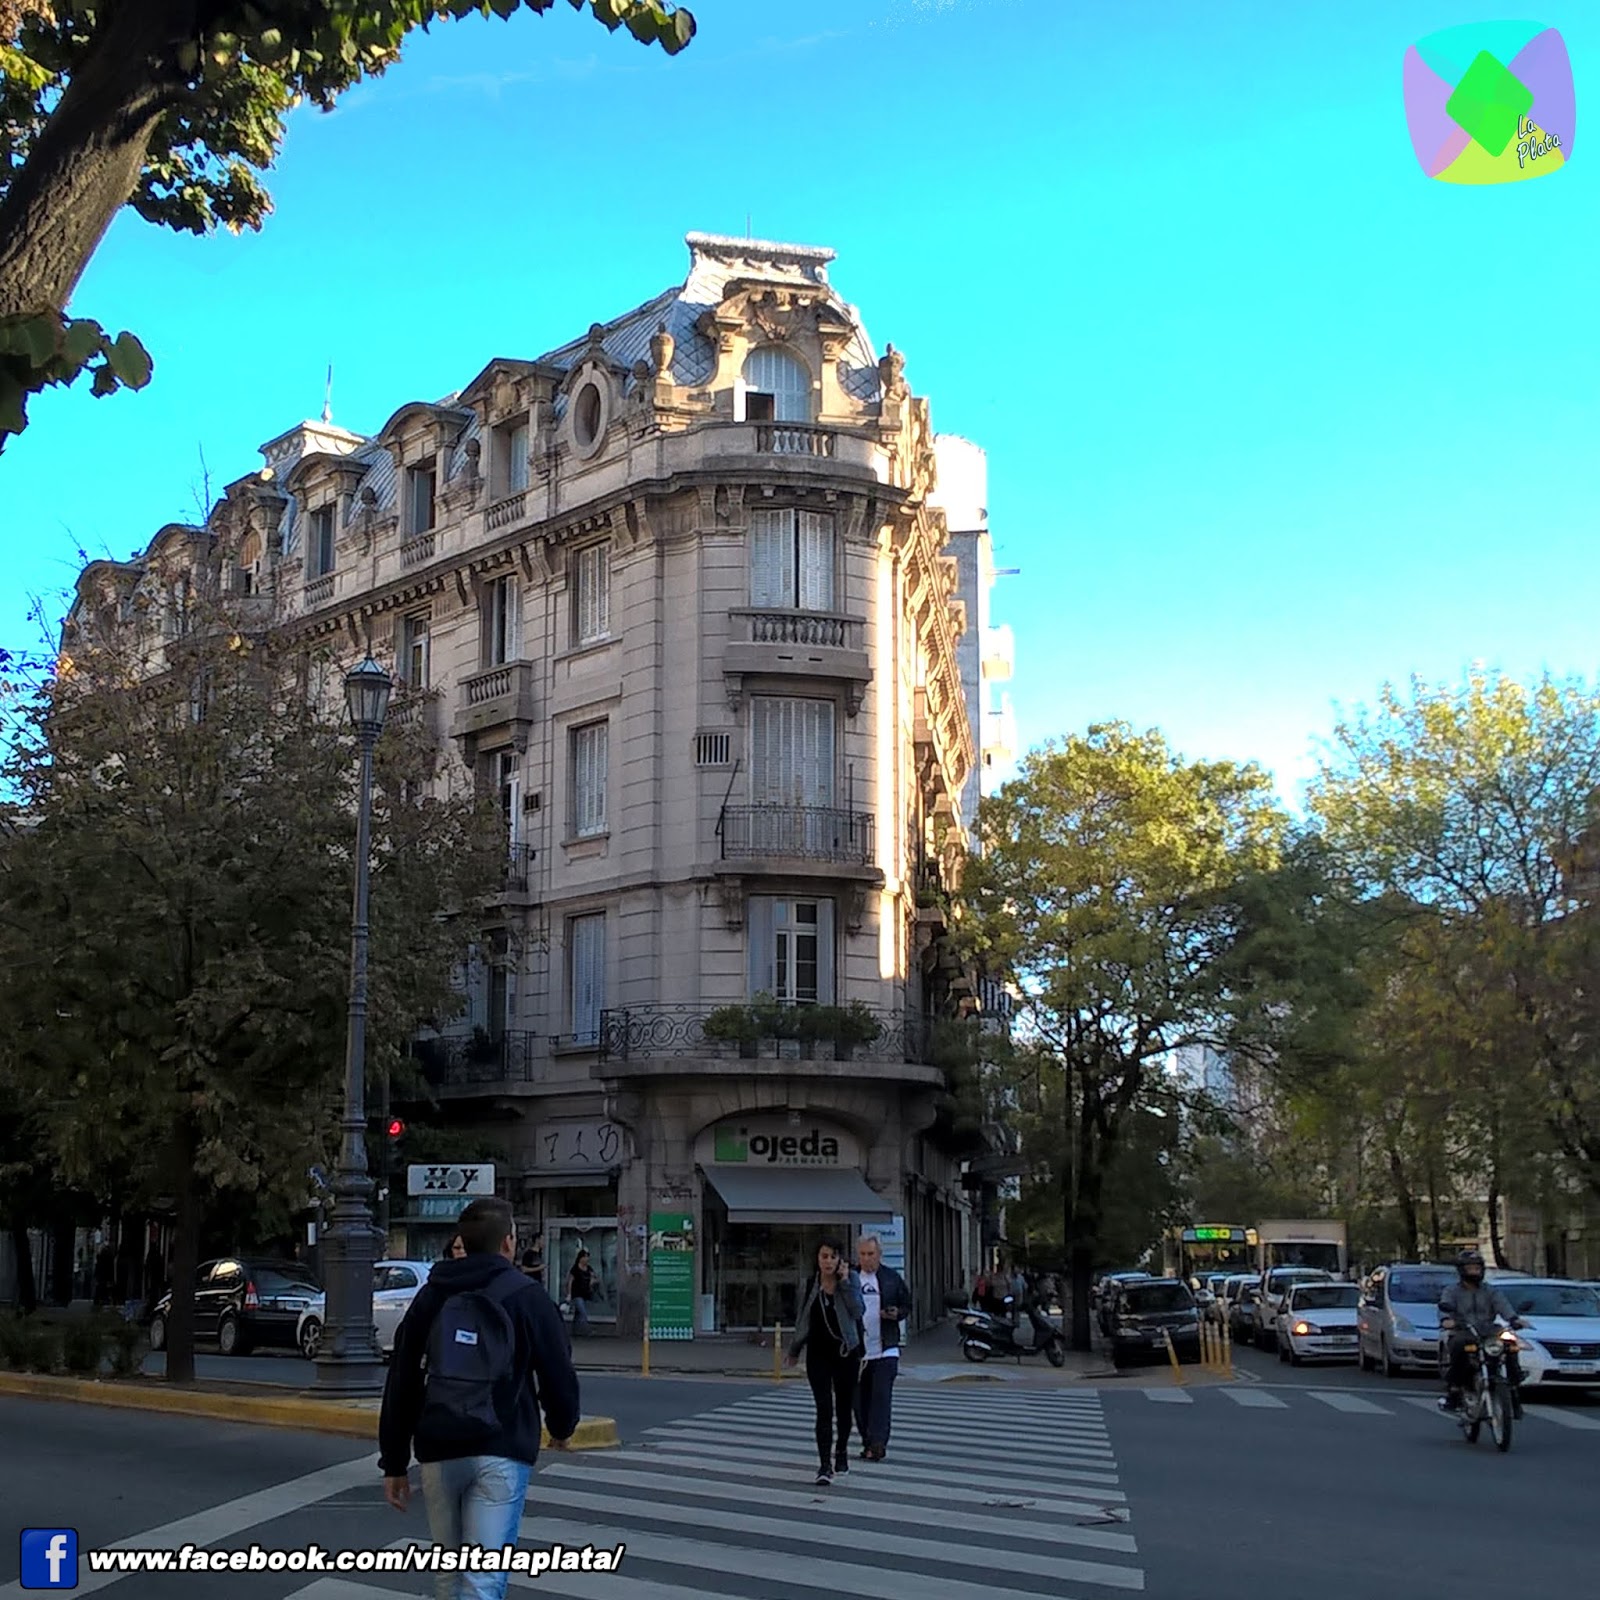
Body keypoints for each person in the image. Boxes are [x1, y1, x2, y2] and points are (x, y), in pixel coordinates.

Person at [379, 1196, 580, 1600]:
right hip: (501, 1447)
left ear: (463, 1243)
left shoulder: (432, 1294)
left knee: (448, 1577)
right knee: (482, 1580)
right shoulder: (528, 1296)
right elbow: (558, 1373)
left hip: (439, 1445)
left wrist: (395, 1461)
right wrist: (560, 1427)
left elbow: (402, 1378)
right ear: (507, 1243)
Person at [783, 1238, 865, 1486]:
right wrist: (795, 1348)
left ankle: (841, 1451)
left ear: (840, 1260)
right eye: (823, 1256)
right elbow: (803, 1318)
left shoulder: (850, 1280)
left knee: (843, 1408)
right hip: (818, 1354)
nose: (827, 1261)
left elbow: (858, 1311)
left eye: (832, 1257)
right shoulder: (811, 1284)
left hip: (845, 1353)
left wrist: (845, 1283)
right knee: (823, 1409)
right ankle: (824, 1465)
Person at [1438, 1248, 1526, 1419]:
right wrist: (1447, 1320)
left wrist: (1514, 1319)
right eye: (1471, 1268)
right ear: (1462, 1270)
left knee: (1510, 1343)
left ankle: (1514, 1387)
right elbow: (1444, 1307)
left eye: (1477, 1268)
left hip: (1488, 1330)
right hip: (1463, 1330)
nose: (1475, 1271)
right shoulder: (1452, 1291)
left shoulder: (1490, 1291)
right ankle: (1454, 1391)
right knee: (1458, 1346)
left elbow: (1502, 1305)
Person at [852, 1235, 910, 1462]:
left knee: (881, 1397)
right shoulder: (851, 1279)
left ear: (879, 1255)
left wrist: (897, 1313)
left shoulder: (890, 1278)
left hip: (886, 1348)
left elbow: (907, 1304)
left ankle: (878, 1444)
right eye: (863, 1254)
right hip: (857, 1352)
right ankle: (868, 1442)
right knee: (859, 1401)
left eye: (871, 1254)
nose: (867, 1259)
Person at [567, 1249, 596, 1336]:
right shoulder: (575, 1268)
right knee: (582, 1312)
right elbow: (570, 1281)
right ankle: (587, 1330)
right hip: (576, 1294)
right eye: (585, 1257)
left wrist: (592, 1281)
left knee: (578, 1313)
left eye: (588, 1257)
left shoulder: (589, 1268)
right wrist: (569, 1293)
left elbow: (594, 1277)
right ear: (581, 1258)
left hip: (585, 1293)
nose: (587, 1259)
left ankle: (574, 1331)